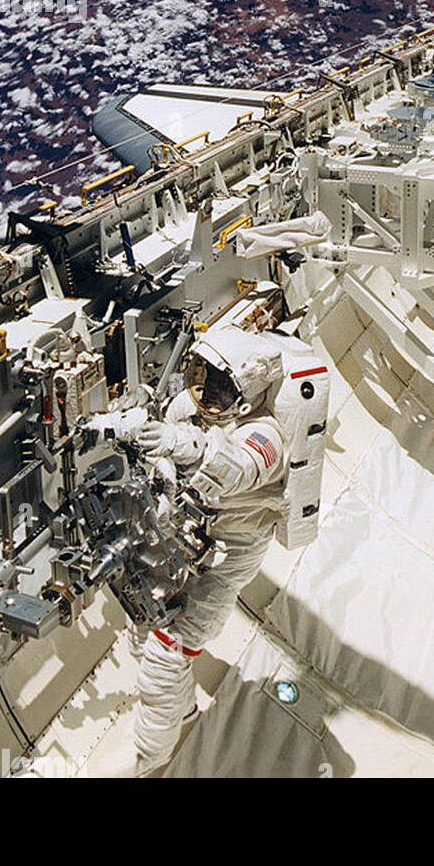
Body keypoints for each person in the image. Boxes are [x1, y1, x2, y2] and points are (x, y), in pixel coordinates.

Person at [93, 326, 290, 776]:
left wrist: (181, 444)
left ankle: (149, 761)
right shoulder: (191, 405)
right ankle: (181, 716)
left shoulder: (266, 436)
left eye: (221, 388)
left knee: (165, 656)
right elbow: (170, 441)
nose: (207, 394)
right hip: (181, 537)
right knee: (148, 632)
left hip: (229, 556)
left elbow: (234, 469)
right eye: (201, 378)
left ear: (247, 392)